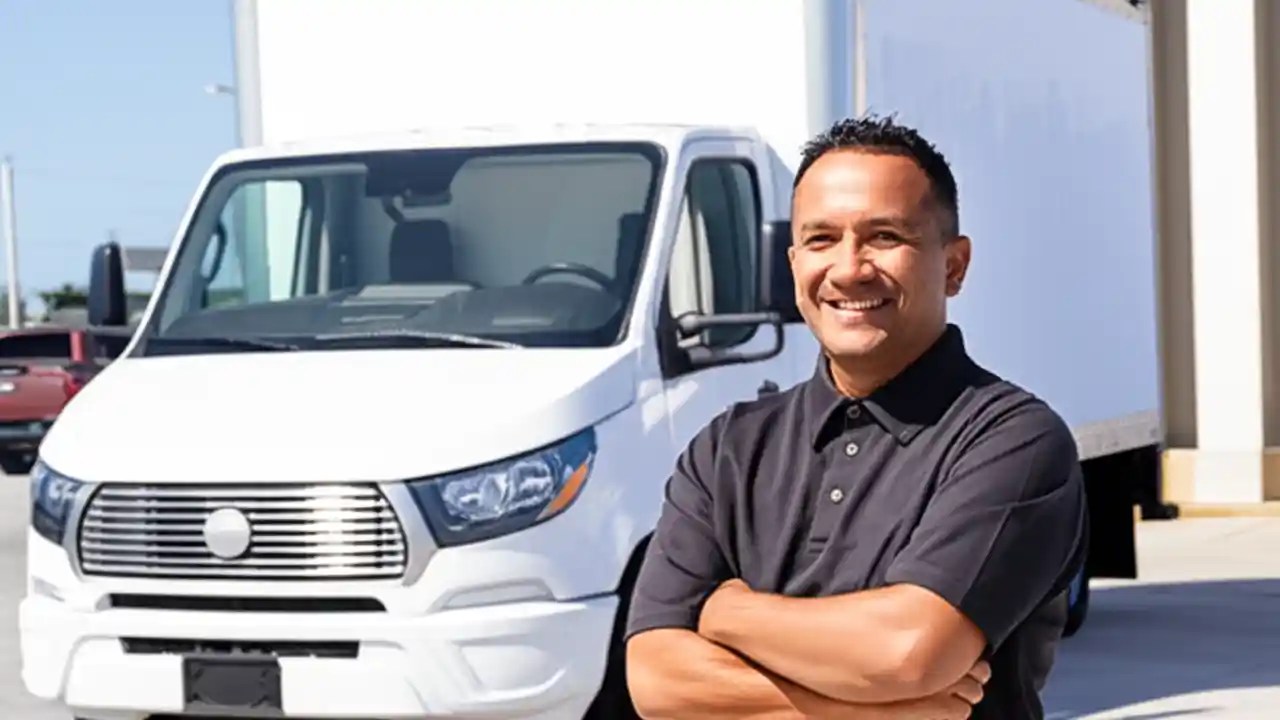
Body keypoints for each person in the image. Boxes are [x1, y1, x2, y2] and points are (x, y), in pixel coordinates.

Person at [622, 115, 1088, 719]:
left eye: (885, 236)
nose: (849, 268)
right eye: (821, 240)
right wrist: (875, 712)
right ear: (793, 266)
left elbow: (909, 651)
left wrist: (724, 611)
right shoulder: (728, 450)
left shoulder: (1013, 441)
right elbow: (656, 683)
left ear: (954, 265)